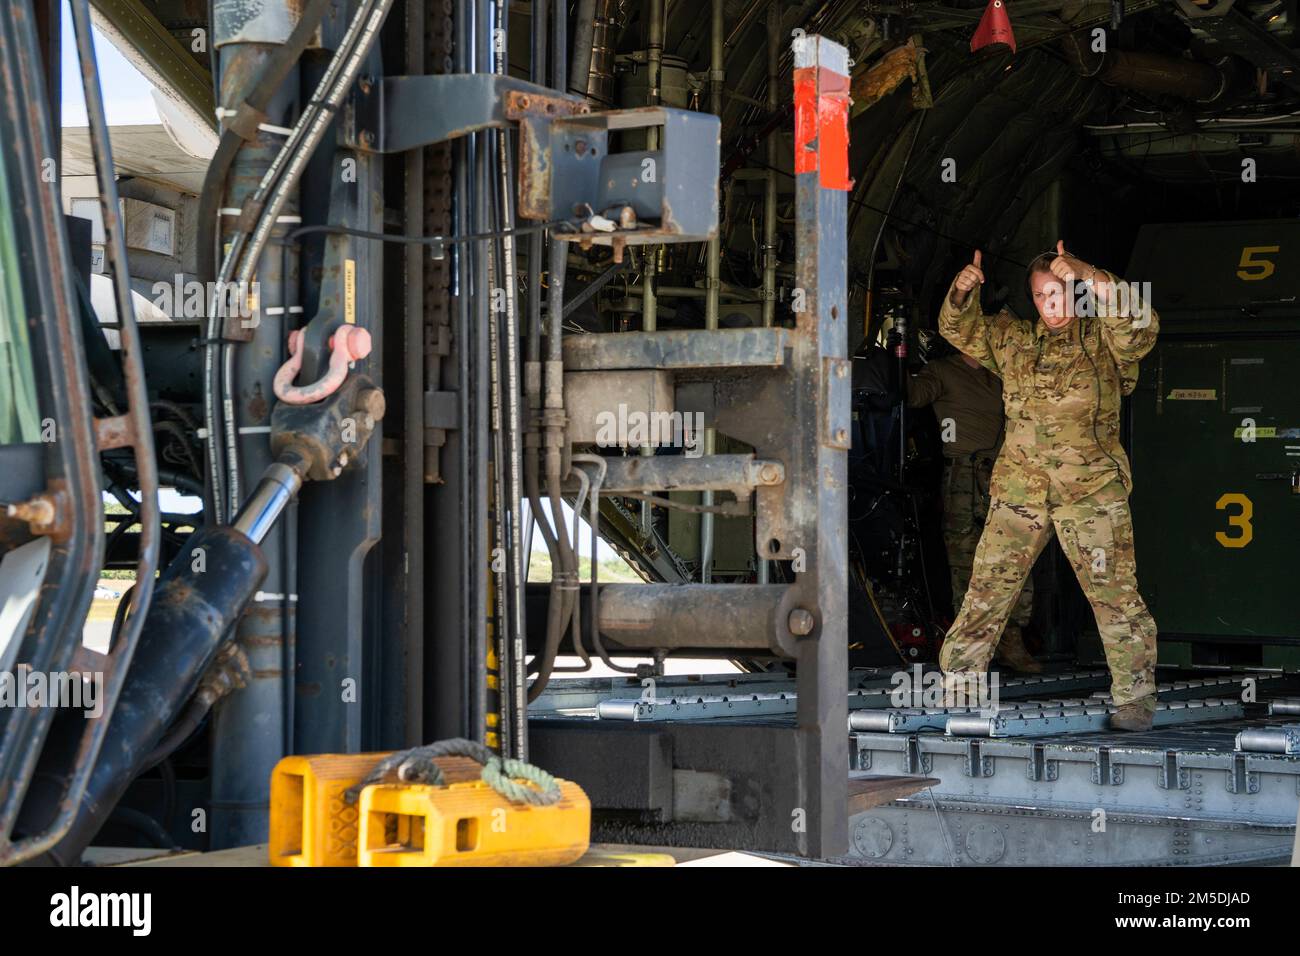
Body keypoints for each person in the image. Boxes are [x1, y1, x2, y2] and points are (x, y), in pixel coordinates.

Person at [937, 242, 1160, 731]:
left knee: (1114, 594)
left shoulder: (1106, 341)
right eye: (1039, 296)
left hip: (1091, 493)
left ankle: (1134, 698)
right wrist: (961, 291)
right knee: (987, 590)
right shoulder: (1013, 340)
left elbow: (1140, 322)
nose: (1049, 304)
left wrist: (1088, 270)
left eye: (1058, 293)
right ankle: (957, 688)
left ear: (1076, 294)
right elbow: (957, 328)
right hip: (1020, 490)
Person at [907, 351, 1040, 672]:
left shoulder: (999, 372)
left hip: (1006, 473)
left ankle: (1010, 638)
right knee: (965, 558)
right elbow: (913, 397)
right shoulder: (941, 369)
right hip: (964, 475)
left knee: (1014, 555)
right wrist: (895, 361)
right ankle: (972, 645)